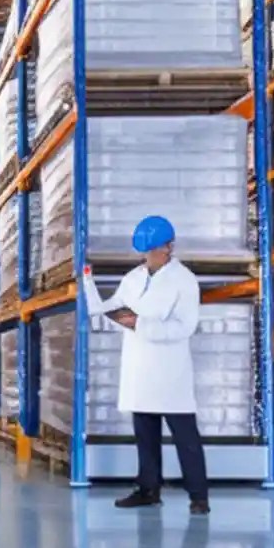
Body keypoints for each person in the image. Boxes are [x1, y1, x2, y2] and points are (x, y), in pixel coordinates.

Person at [82, 215, 209, 515]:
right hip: (140, 368)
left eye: (151, 251)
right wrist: (88, 284)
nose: (147, 257)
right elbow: (109, 309)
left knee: (185, 436)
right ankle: (148, 489)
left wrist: (142, 324)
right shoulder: (133, 279)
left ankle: (199, 497)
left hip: (170, 369)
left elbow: (185, 326)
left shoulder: (184, 280)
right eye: (144, 252)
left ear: (167, 248)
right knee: (145, 434)